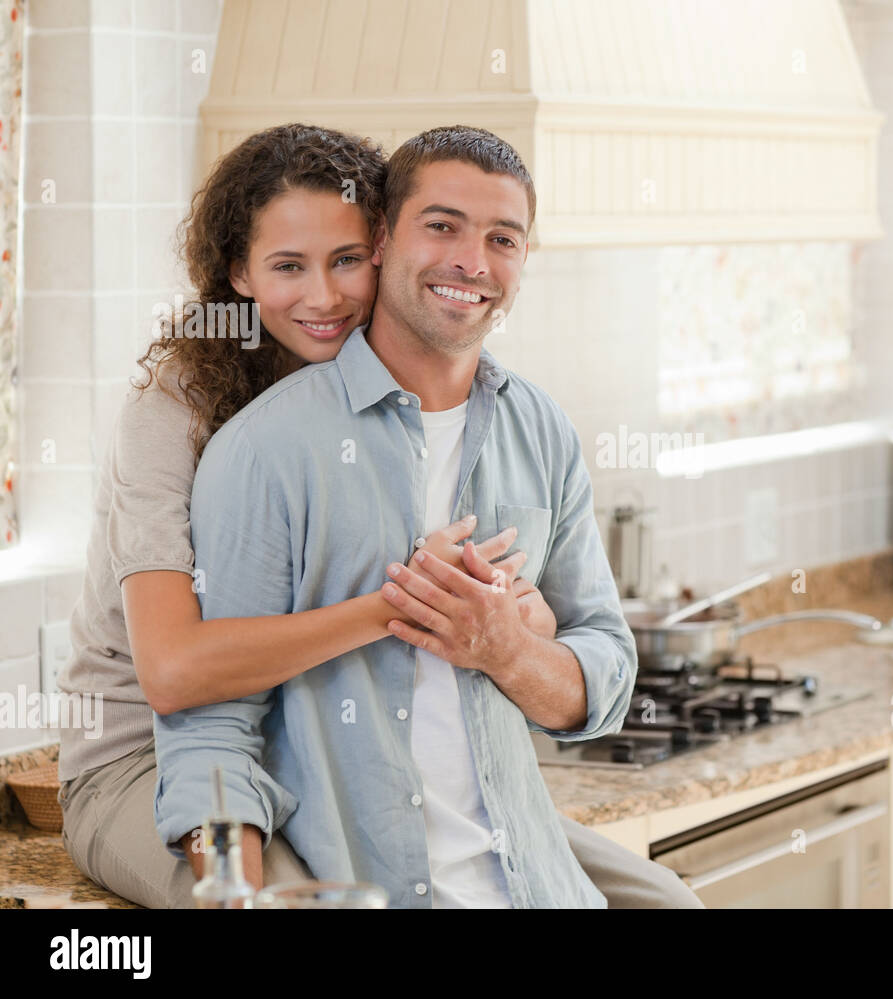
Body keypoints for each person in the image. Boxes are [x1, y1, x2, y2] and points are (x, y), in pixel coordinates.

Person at [58, 122, 702, 908]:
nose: (324, 297)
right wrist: (401, 604)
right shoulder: (195, 423)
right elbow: (180, 682)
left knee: (662, 897)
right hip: (146, 757)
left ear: (378, 247)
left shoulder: (523, 423)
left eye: (346, 261)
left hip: (351, 760)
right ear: (240, 274)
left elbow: (596, 658)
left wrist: (512, 644)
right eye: (289, 266)